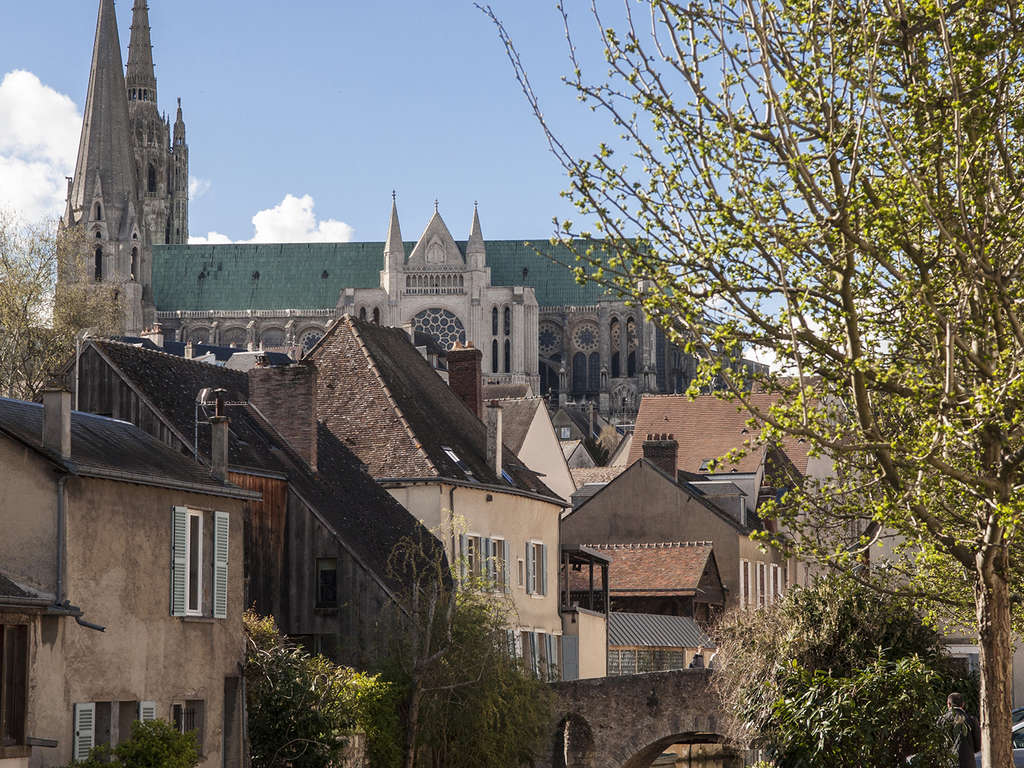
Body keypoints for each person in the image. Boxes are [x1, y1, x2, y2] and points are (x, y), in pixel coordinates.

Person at [937, 692, 981, 768]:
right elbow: (978, 745)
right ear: (963, 704)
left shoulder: (941, 721)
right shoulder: (971, 719)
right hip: (968, 763)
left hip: (948, 763)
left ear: (948, 704)